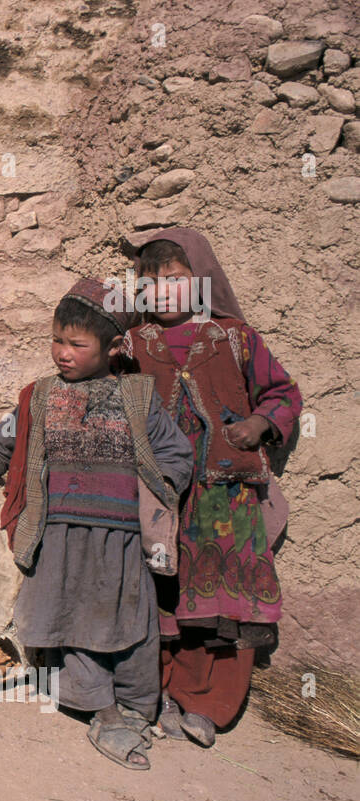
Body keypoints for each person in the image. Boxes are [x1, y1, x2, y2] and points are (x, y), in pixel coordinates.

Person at [0, 278, 193, 770]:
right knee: (68, 620)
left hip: (121, 537)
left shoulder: (138, 398)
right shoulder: (39, 397)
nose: (63, 353)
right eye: (57, 340)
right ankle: (103, 711)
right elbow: (6, 441)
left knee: (130, 622)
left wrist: (154, 487)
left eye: (77, 344)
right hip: (58, 534)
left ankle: (142, 705)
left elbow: (175, 453)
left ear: (114, 347)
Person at [122, 228, 301, 748]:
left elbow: (283, 392)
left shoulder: (235, 336)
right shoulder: (133, 343)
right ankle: (150, 693)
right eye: (150, 282)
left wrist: (261, 425)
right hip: (157, 492)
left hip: (225, 496)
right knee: (156, 591)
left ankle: (208, 706)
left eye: (175, 280)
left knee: (224, 600)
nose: (162, 292)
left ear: (200, 281)